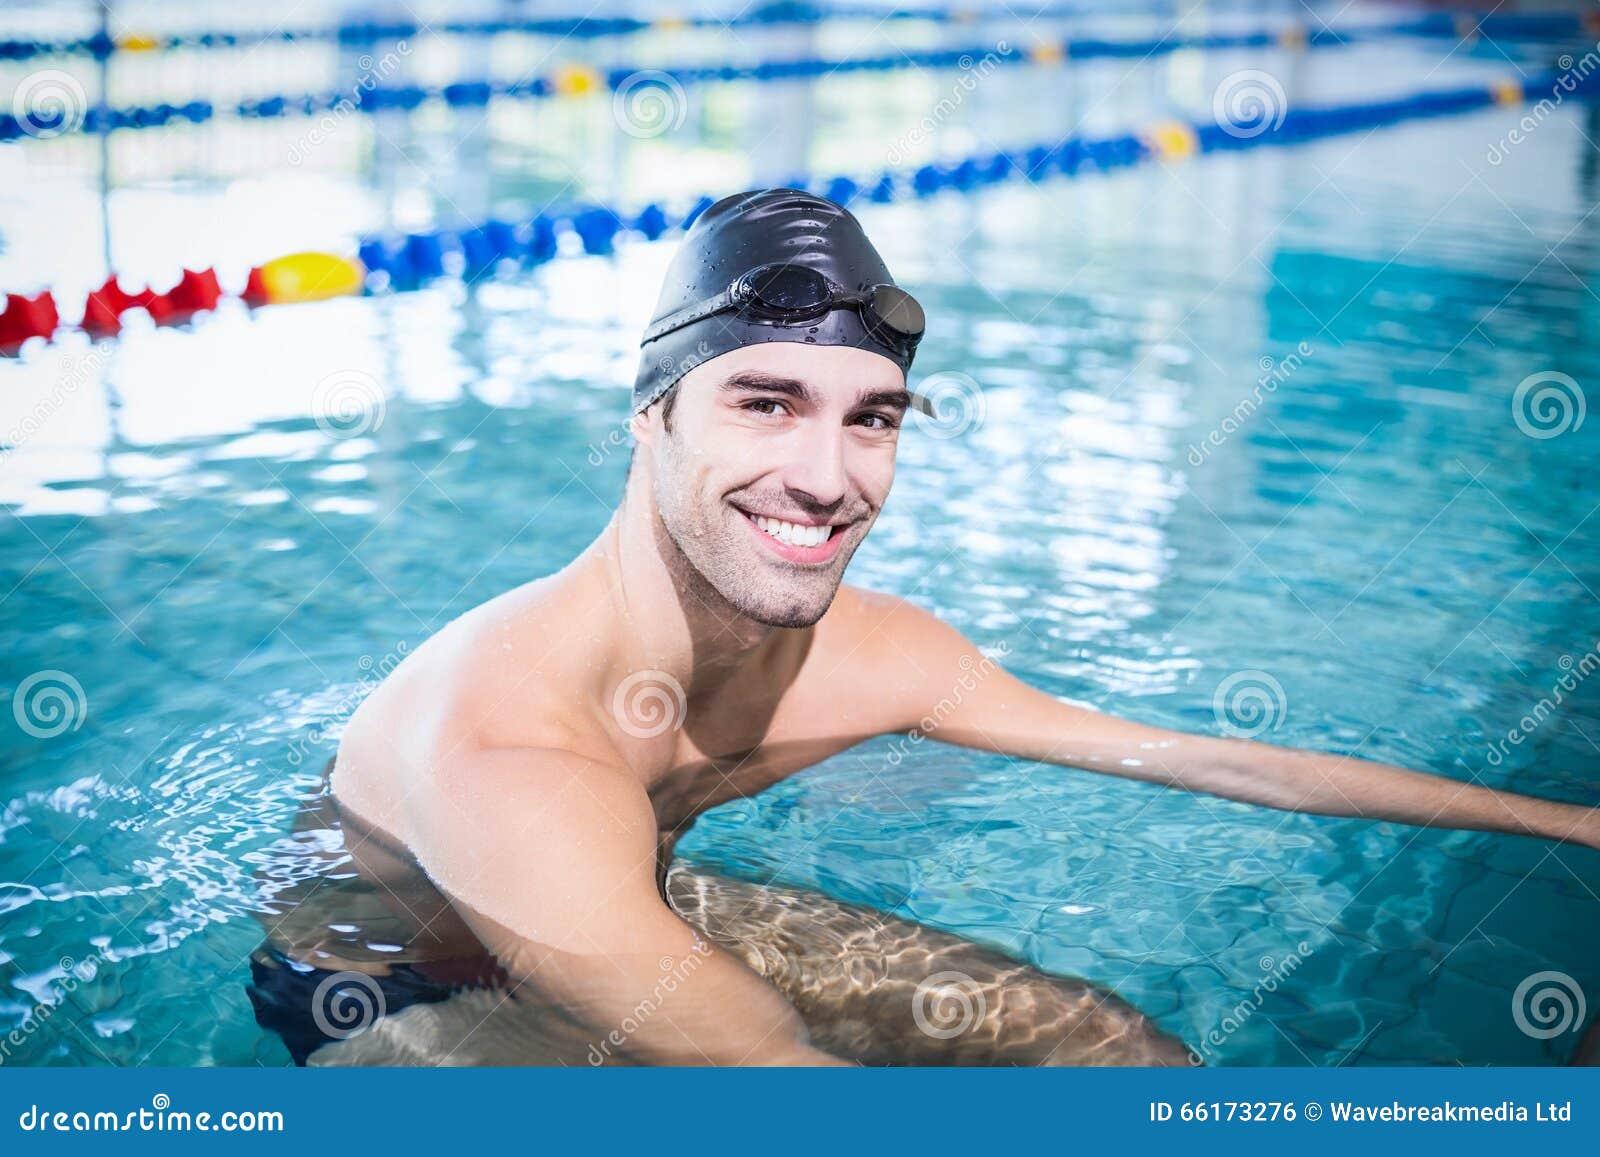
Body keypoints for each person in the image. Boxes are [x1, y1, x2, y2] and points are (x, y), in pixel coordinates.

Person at [317, 188, 1599, 1066]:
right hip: (405, 991)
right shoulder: (506, 750)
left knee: (1112, 1051)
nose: (827, 478)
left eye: (871, 418)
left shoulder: (866, 652)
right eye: (765, 403)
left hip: (634, 904)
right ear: (651, 414)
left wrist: (1571, 824)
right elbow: (768, 1068)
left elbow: (1208, 758)